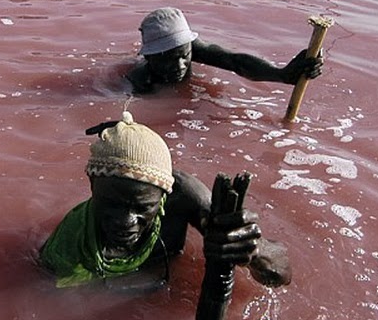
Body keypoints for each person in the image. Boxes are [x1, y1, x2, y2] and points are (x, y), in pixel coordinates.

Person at [39, 111, 290, 288]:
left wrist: (254, 250)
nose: (126, 221)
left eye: (142, 208)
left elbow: (282, 274)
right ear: (92, 185)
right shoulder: (68, 246)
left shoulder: (181, 195)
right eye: (112, 204)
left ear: (164, 195)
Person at [125, 7, 324, 94]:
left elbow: (236, 62)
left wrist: (282, 75)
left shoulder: (192, 48)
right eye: (167, 59)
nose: (180, 65)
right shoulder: (141, 80)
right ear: (149, 57)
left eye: (184, 55)